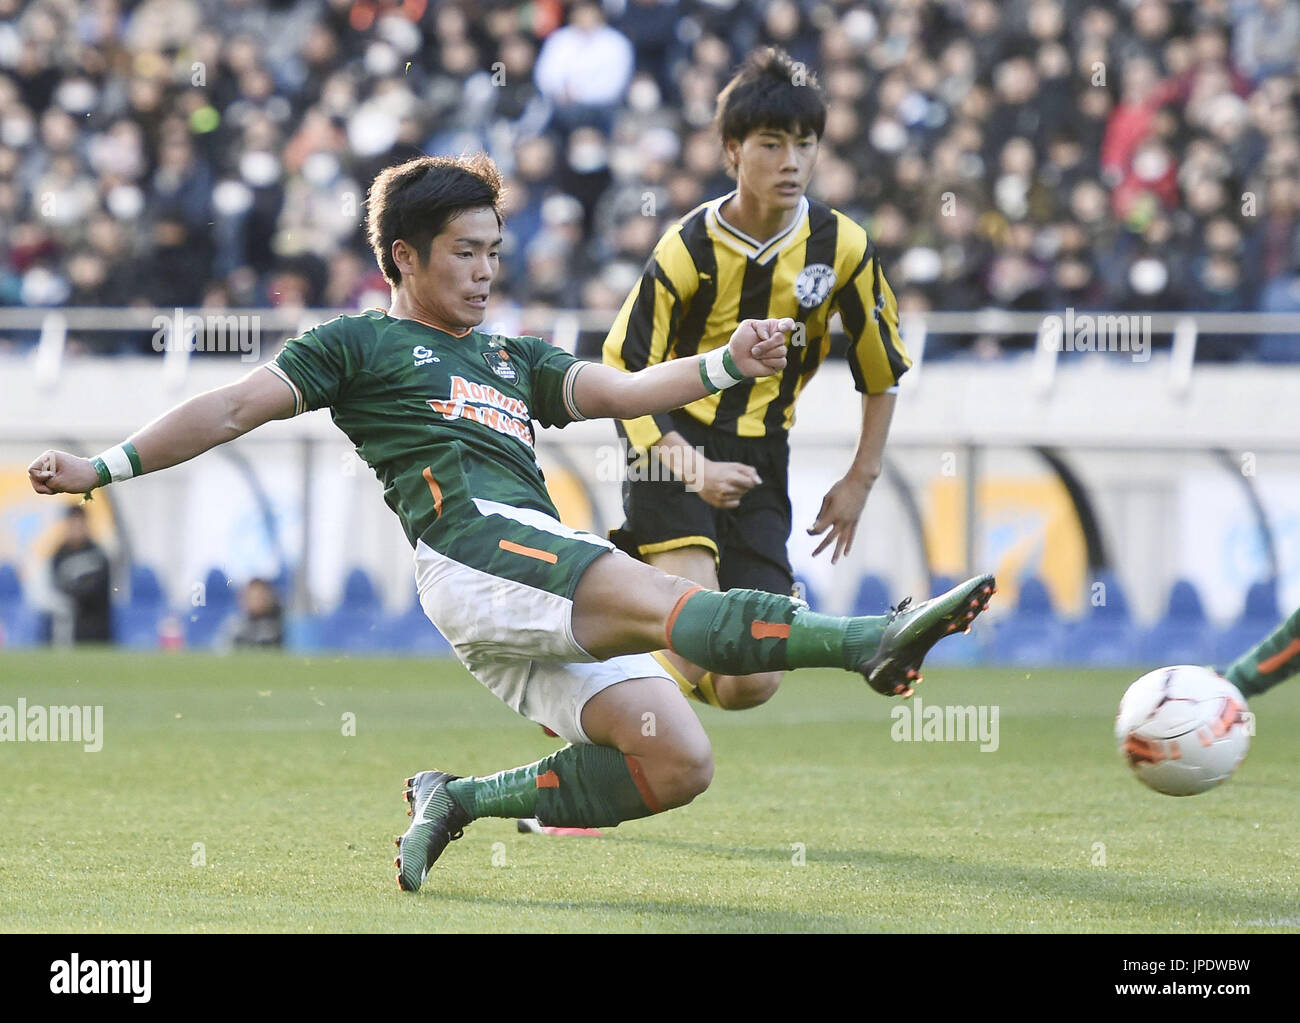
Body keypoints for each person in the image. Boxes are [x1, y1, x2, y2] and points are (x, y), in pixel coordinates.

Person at [27, 153, 994, 893]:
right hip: (472, 551)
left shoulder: (509, 356)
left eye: (495, 250)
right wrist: (100, 469)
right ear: (403, 256)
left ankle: (456, 796)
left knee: (678, 760)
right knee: (662, 599)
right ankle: (872, 640)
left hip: (521, 574)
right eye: (466, 251)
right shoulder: (358, 343)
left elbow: (618, 388)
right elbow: (235, 405)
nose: (487, 269)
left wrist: (724, 363)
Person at [603, 48, 910, 710]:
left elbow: (880, 368)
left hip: (763, 455)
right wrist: (689, 467)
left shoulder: (845, 248)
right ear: (733, 151)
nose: (792, 161)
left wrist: (861, 476)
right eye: (772, 144)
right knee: (702, 624)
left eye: (805, 143)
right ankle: (595, 696)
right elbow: (623, 364)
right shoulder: (688, 246)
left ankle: (625, 639)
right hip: (672, 441)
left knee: (749, 681)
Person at [47, 504, 112, 644]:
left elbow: (98, 588)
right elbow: (55, 585)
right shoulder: (59, 554)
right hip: (68, 625)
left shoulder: (97, 554)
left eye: (79, 524)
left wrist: (76, 591)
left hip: (96, 626)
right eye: (72, 524)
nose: (75, 529)